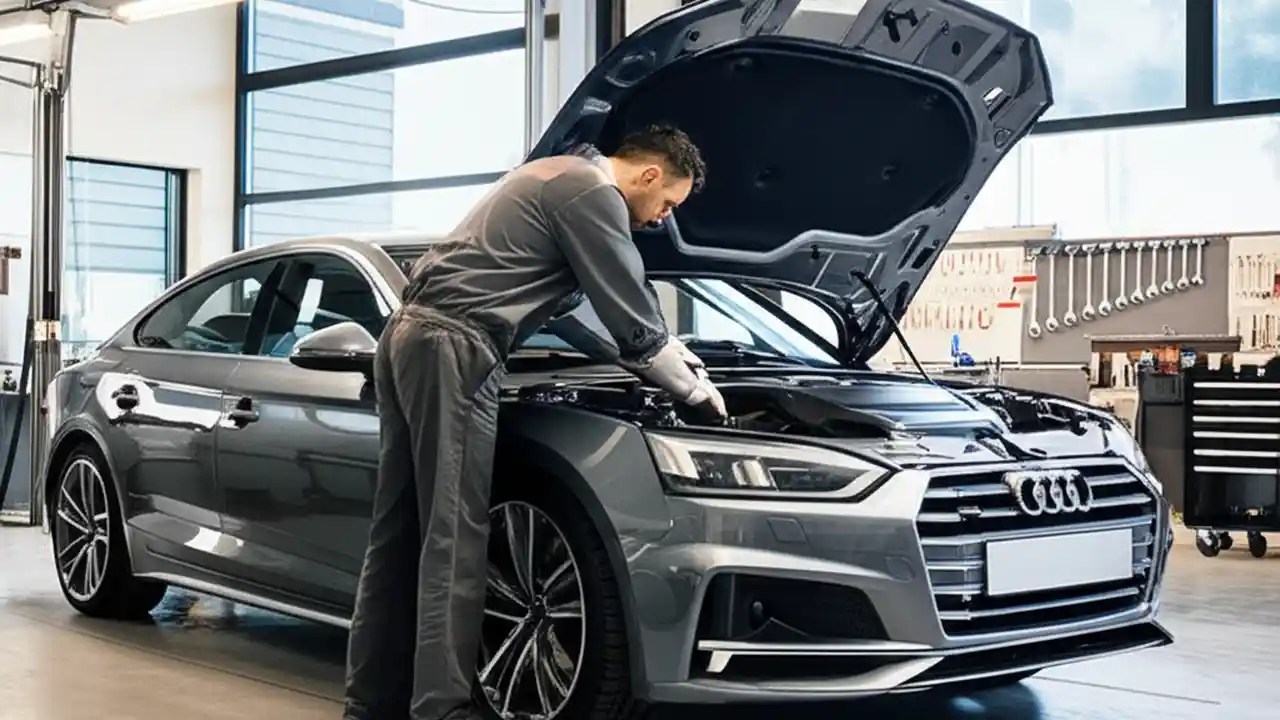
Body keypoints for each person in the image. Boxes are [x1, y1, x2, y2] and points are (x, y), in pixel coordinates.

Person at [343, 124, 726, 720]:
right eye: (669, 203)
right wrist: (697, 394)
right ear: (649, 174)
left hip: (409, 337)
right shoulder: (593, 194)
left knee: (399, 533)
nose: (661, 220)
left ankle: (372, 703)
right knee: (455, 533)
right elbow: (634, 319)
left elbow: (579, 319)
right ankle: (443, 709)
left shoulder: (549, 176)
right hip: (459, 345)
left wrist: (673, 355)